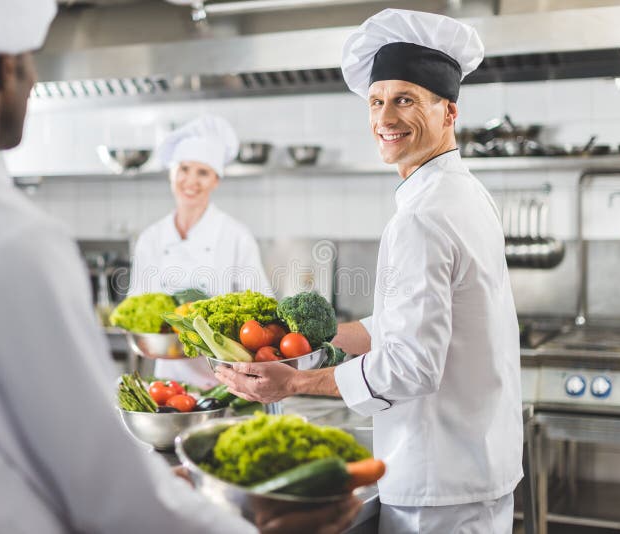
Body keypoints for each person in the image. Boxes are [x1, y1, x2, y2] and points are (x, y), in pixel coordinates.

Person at [0, 1, 360, 532]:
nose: (31, 84)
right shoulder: (12, 237)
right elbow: (104, 488)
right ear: (6, 66)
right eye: (30, 63)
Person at [215, 8, 523, 534]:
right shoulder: (464, 194)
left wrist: (294, 382)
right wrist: (321, 334)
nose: (384, 117)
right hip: (474, 468)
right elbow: (408, 327)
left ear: (448, 111)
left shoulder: (422, 218)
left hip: (436, 486)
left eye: (405, 99)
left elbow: (410, 366)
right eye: (377, 101)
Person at [129, 115, 273, 388]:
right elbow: (138, 306)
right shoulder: (151, 238)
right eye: (184, 169)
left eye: (203, 172)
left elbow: (262, 310)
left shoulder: (236, 236)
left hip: (225, 382)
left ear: (216, 180)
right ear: (172, 173)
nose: (191, 181)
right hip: (167, 383)